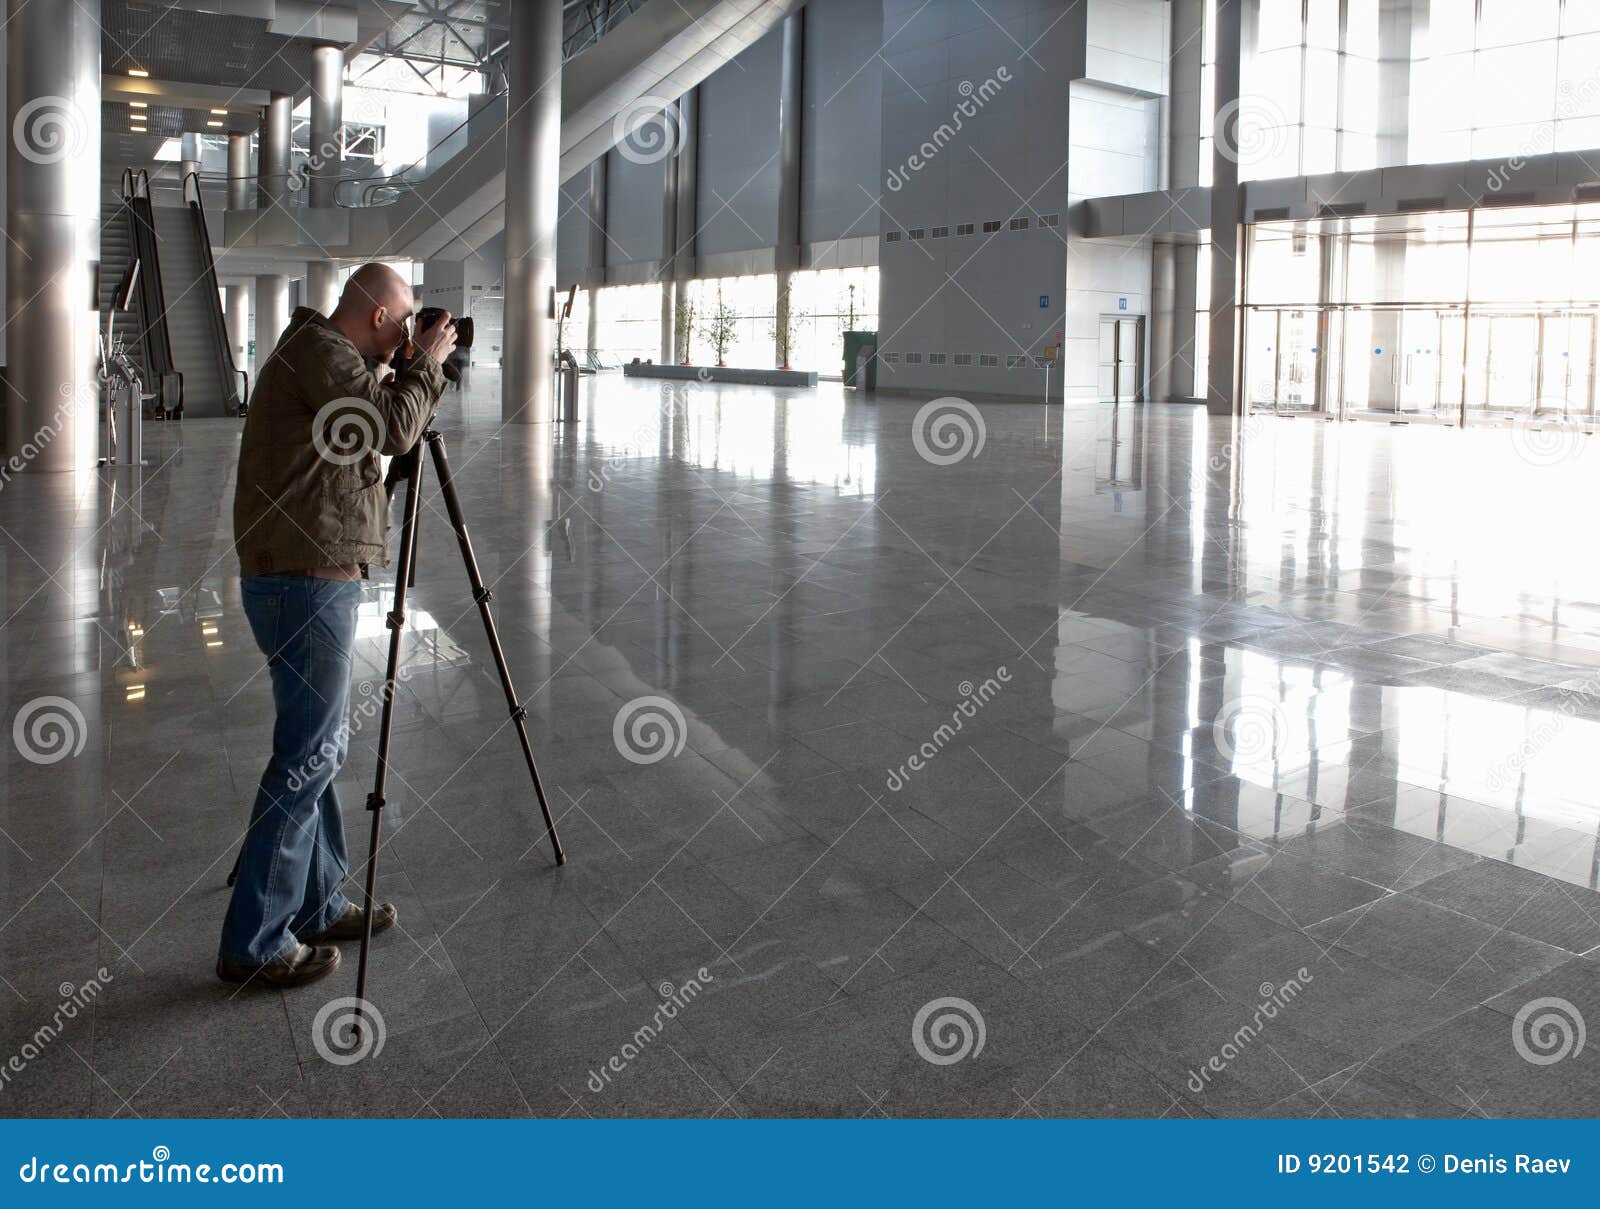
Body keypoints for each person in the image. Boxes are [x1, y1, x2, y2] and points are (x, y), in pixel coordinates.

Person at [220, 263, 456, 989]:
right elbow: (388, 428)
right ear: (381, 316)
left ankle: (316, 901)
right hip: (305, 576)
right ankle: (255, 942)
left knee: (315, 748)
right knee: (309, 755)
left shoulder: (326, 357)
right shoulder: (320, 351)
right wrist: (430, 368)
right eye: (407, 321)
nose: (411, 335)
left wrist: (411, 369)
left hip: (303, 571)